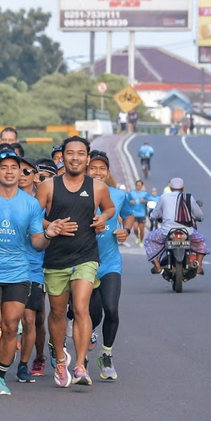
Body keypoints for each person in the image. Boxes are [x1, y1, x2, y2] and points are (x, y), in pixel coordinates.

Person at [0, 151, 64, 395]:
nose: (11, 171)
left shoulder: (31, 204)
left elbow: (36, 241)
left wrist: (48, 235)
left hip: (18, 272)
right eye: (4, 167)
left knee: (11, 325)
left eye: (16, 167)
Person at [36, 136, 115, 389]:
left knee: (81, 308)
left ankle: (80, 365)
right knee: (58, 312)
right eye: (70, 153)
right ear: (63, 156)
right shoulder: (48, 186)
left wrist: (102, 218)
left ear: (87, 158)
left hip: (86, 257)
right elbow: (32, 218)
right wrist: (52, 226)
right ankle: (61, 359)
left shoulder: (98, 188)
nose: (75, 158)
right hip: (56, 258)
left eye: (81, 153)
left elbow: (110, 208)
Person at [86, 151, 134, 381]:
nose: (97, 172)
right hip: (84, 262)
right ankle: (84, 342)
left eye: (102, 168)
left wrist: (127, 230)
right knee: (92, 315)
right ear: (86, 170)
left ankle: (106, 355)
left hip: (110, 263)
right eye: (92, 167)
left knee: (112, 310)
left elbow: (129, 216)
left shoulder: (118, 195)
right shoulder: (77, 195)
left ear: (107, 172)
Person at [18, 159, 58, 380]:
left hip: (36, 267)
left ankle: (32, 359)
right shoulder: (1, 198)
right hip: (5, 267)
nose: (21, 174)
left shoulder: (41, 202)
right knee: (4, 320)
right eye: (17, 170)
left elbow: (51, 228)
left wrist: (47, 227)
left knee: (33, 319)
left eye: (27, 171)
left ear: (35, 176)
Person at [144, 177, 208, 275]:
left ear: (170, 188)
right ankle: (199, 266)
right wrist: (200, 218)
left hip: (167, 231)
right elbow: (199, 214)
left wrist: (152, 217)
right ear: (183, 188)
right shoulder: (188, 197)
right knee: (201, 240)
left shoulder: (164, 197)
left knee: (148, 239)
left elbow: (155, 213)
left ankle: (157, 266)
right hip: (187, 232)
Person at [127, 179, 150, 246]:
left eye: (140, 185)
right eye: (137, 185)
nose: (138, 187)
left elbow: (149, 200)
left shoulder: (145, 193)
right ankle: (137, 236)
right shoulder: (132, 193)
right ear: (135, 186)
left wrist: (145, 201)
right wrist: (130, 202)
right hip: (134, 213)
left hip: (142, 213)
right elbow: (127, 200)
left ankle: (141, 241)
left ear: (142, 186)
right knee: (135, 228)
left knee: (142, 229)